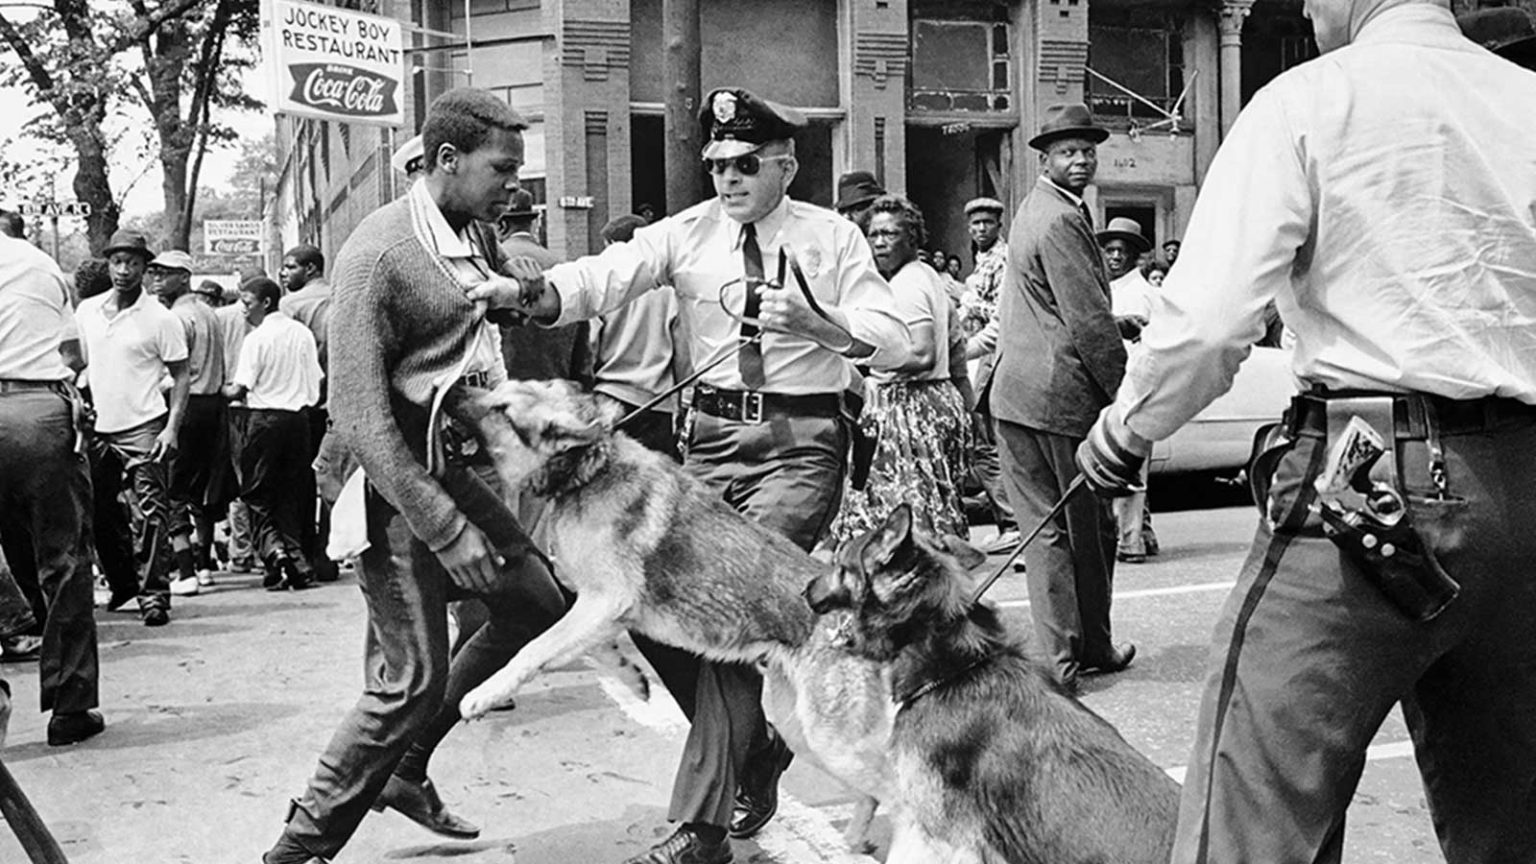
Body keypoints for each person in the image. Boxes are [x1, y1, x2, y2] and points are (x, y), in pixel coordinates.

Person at [1074, 2, 1536, 860]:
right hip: (1525, 481)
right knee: (1511, 811)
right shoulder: (1526, 100)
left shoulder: (1309, 99)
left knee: (1256, 802)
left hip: (1370, 461)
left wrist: (1123, 432)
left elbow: (1211, 324)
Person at [494, 86, 910, 864]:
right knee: (671, 622)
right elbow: (604, 276)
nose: (728, 179)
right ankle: (754, 754)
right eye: (717, 164)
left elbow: (897, 340)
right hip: (712, 440)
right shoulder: (686, 232)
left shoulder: (833, 239)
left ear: (787, 163)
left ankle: (703, 826)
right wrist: (528, 294)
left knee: (740, 601)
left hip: (800, 436)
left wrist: (822, 326)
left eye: (747, 163)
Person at [263, 88, 569, 864]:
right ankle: (298, 848)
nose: (516, 185)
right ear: (445, 160)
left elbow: (463, 356)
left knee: (535, 601)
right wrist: (446, 526)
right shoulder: (379, 255)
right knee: (410, 680)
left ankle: (404, 767)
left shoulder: (473, 231)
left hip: (445, 464)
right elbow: (363, 420)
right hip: (386, 483)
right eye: (502, 168)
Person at [987, 103, 1132, 693]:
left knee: (1048, 530)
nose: (1081, 160)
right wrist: (1128, 395)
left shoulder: (1033, 210)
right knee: (1084, 532)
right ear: (1045, 159)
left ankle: (1073, 653)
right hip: (1059, 398)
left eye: (1088, 151)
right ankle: (1073, 658)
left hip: (1015, 394)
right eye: (1068, 152)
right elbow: (1089, 322)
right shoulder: (1063, 221)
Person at [0, 232, 102, 745]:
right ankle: (69, 706)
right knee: (63, 559)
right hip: (36, 410)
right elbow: (73, 353)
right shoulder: (38, 263)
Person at [830, 194, 972, 544]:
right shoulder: (928, 278)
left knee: (905, 516)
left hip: (910, 409)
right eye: (873, 234)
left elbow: (922, 354)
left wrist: (865, 358)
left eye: (890, 234)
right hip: (935, 402)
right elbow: (956, 350)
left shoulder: (907, 285)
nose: (879, 242)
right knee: (932, 512)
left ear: (912, 238)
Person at [77, 230, 190, 628]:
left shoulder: (160, 318)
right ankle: (124, 584)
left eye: (133, 263)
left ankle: (154, 595)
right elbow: (76, 363)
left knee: (150, 513)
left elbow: (181, 374)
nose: (124, 271)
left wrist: (171, 428)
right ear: (108, 265)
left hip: (143, 425)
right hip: (98, 427)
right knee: (97, 511)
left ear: (145, 268)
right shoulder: (88, 311)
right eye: (117, 262)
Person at [224, 277, 322, 592]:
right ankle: (297, 562)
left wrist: (221, 390)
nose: (243, 310)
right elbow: (316, 382)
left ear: (266, 302)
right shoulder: (302, 334)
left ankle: (273, 551)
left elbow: (241, 386)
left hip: (263, 420)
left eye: (247, 302)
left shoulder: (257, 338)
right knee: (292, 494)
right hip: (298, 421)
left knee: (256, 494)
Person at [148, 250, 225, 596]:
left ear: (184, 276)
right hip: (213, 405)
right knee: (203, 489)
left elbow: (173, 372)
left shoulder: (177, 317)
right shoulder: (209, 312)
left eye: (166, 273)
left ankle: (186, 571)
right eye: (155, 272)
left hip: (185, 405)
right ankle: (205, 564)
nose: (157, 279)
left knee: (173, 487)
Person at [593, 213, 689, 460]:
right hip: (658, 403)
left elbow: (590, 344)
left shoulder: (605, 285)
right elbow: (683, 352)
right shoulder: (669, 290)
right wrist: (681, 402)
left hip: (609, 398)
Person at [958, 196, 1020, 554]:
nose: (981, 229)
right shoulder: (982, 260)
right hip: (977, 355)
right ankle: (1008, 521)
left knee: (986, 445)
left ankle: (1011, 522)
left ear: (999, 226)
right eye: (975, 224)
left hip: (991, 357)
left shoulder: (1003, 259)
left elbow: (1003, 315)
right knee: (984, 443)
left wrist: (964, 296)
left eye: (987, 223)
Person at [1097, 217, 1160, 564]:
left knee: (1131, 469)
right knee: (1113, 463)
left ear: (1136, 255)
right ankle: (1140, 533)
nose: (1116, 257)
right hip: (1106, 384)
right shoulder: (1103, 291)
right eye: (1110, 250)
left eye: (1124, 250)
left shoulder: (1148, 294)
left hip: (1135, 386)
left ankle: (1131, 540)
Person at [278, 244, 338, 583]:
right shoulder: (339, 297)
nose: (285, 274)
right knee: (331, 473)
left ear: (311, 269)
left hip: (302, 400)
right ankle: (327, 551)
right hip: (336, 397)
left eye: (291, 267)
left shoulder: (289, 305)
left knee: (299, 477)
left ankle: (301, 551)